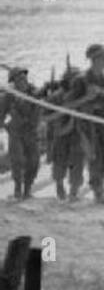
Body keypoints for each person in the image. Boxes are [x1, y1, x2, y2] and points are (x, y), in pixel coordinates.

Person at [69, 44, 104, 204]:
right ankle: (99, 192)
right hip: (88, 125)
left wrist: (101, 92)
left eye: (101, 57)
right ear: (91, 60)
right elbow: (69, 105)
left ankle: (96, 181)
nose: (99, 61)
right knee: (95, 158)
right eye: (95, 59)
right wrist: (87, 98)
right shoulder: (81, 80)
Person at [0, 65, 42, 199]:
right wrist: (7, 126)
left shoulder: (34, 94)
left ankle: (27, 188)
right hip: (16, 132)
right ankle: (18, 187)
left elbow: (38, 115)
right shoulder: (9, 96)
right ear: (14, 82)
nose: (22, 82)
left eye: (24, 78)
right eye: (19, 79)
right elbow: (1, 116)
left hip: (31, 131)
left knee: (34, 161)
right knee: (17, 160)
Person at [46, 66, 86, 201]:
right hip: (60, 134)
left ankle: (73, 192)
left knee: (78, 163)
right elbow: (46, 117)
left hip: (77, 134)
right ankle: (59, 186)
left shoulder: (80, 95)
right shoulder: (55, 96)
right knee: (59, 164)